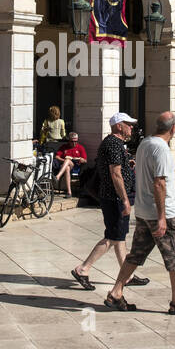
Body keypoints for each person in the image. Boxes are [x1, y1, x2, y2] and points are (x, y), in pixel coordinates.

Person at [105, 111, 175, 315]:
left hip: (143, 211)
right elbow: (159, 183)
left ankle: (116, 293)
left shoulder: (145, 144)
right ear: (173, 128)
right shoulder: (162, 149)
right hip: (162, 213)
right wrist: (162, 217)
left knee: (136, 255)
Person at [70, 113, 147, 291]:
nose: (132, 128)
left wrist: (129, 164)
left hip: (114, 197)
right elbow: (115, 173)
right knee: (112, 237)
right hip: (115, 198)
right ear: (119, 126)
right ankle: (83, 269)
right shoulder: (113, 144)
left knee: (119, 236)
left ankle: (127, 275)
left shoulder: (115, 144)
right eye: (129, 124)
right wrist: (125, 199)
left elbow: (118, 168)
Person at [54, 133, 87, 197]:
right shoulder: (64, 147)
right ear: (69, 141)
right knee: (67, 167)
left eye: (76, 141)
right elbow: (57, 157)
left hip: (76, 167)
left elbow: (85, 160)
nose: (74, 143)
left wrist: (81, 159)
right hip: (66, 167)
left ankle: (57, 176)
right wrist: (64, 161)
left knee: (68, 160)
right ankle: (69, 192)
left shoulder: (80, 147)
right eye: (72, 141)